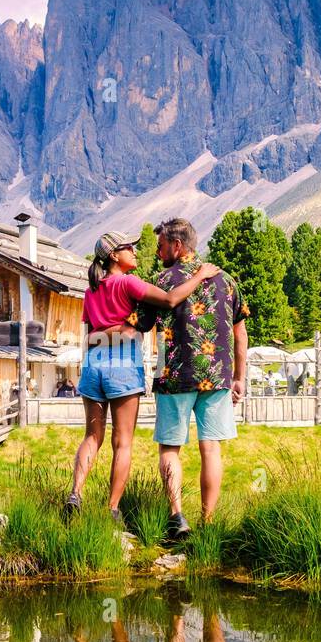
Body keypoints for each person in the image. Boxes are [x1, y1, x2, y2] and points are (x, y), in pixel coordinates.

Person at [67, 231, 219, 518]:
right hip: (123, 366)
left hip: (93, 365)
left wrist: (105, 332)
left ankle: (76, 492)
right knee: (122, 442)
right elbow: (172, 299)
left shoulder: (91, 290)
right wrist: (200, 275)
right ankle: (112, 509)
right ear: (114, 255)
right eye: (129, 248)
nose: (135, 252)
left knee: (92, 436)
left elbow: (88, 339)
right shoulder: (128, 283)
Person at [136, 218, 249, 541]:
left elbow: (139, 324)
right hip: (217, 376)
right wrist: (239, 377)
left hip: (174, 376)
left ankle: (177, 517)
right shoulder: (227, 281)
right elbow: (241, 334)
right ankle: (209, 522)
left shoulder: (160, 280)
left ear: (177, 246)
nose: (157, 253)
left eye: (160, 246)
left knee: (170, 448)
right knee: (210, 449)